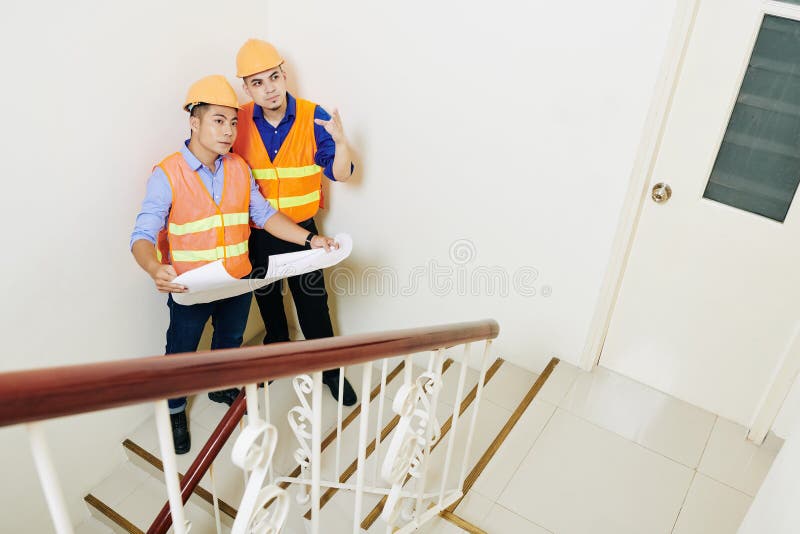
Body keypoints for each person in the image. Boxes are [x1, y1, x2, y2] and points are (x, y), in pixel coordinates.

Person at [130, 74, 338, 454]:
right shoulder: (168, 174)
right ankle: (175, 407)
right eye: (218, 121)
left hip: (236, 282)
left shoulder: (239, 168)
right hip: (189, 289)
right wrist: (152, 266)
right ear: (194, 122)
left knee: (229, 343)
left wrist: (310, 239)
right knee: (181, 351)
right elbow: (142, 234)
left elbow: (266, 215)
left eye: (233, 121)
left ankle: (223, 387)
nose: (229, 131)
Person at [232, 38, 358, 406]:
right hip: (257, 234)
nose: (269, 88)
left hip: (303, 232)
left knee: (313, 305)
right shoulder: (238, 122)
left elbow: (343, 174)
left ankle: (331, 373)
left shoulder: (311, 115)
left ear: (284, 74)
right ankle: (276, 358)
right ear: (247, 88)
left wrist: (341, 141)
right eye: (257, 82)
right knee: (268, 302)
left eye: (273, 77)